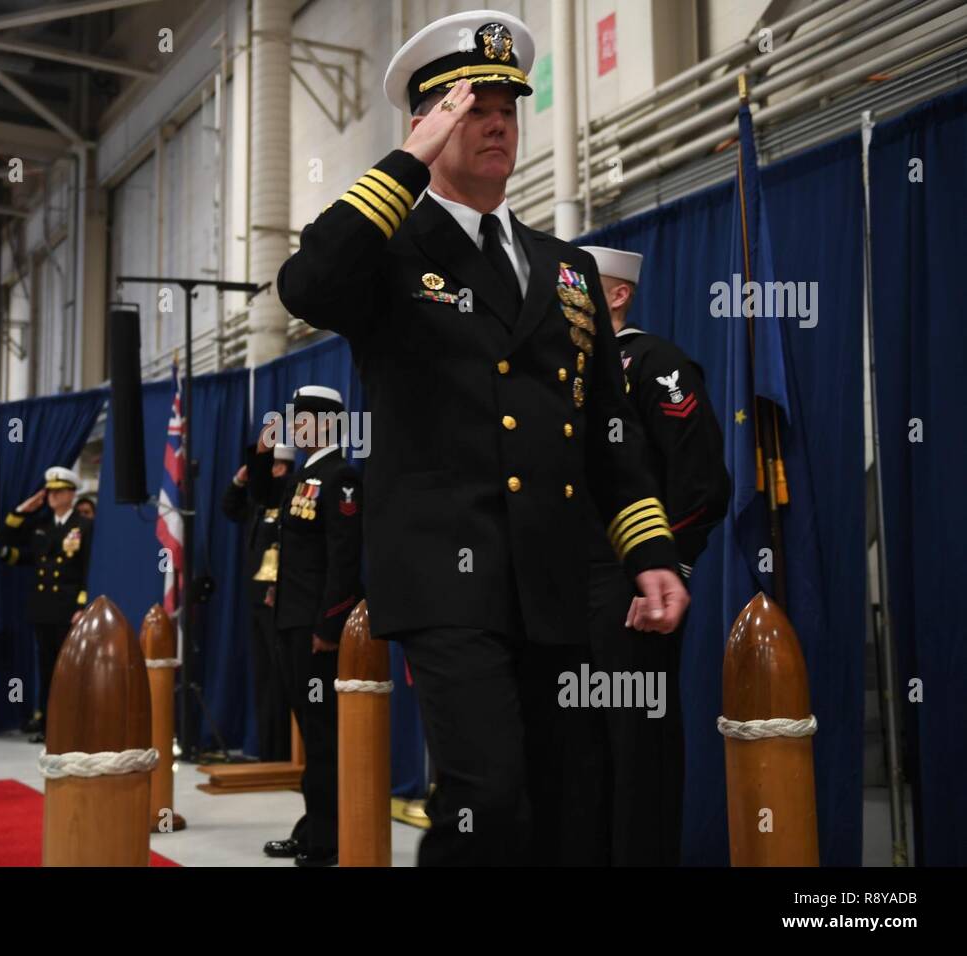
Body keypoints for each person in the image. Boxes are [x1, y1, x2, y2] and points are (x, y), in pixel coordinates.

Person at [276, 10, 688, 866]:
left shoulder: (565, 266)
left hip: (551, 576)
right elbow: (306, 283)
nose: (498, 122)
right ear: (429, 123)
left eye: (508, 107)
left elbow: (605, 427)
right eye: (474, 108)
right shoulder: (390, 249)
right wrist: (406, 163)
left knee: (562, 802)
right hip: (442, 580)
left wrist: (649, 550)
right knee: (485, 800)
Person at [553, 246, 731, 865]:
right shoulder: (563, 374)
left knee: (636, 752)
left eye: (580, 289)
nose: (565, 303)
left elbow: (702, 481)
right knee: (577, 752)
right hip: (566, 585)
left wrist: (664, 568)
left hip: (629, 580)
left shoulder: (653, 363)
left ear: (619, 294)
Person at [260, 388, 362, 867]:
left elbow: (344, 559)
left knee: (322, 735)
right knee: (310, 728)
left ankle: (328, 839)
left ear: (324, 424)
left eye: (299, 420)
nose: (292, 428)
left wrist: (330, 623)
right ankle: (313, 826)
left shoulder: (340, 477)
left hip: (316, 631)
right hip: (292, 621)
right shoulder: (304, 475)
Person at [0, 466, 93, 743]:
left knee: (70, 670)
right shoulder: (41, 525)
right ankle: (47, 725)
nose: (52, 496)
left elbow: (88, 567)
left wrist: (82, 605)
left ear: (71, 494)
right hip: (44, 607)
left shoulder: (84, 526)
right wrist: (22, 510)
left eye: (59, 491)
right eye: (50, 491)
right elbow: (7, 541)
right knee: (47, 668)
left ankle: (73, 725)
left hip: (69, 609)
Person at [222, 441, 296, 762]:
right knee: (263, 676)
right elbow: (230, 508)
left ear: (281, 467)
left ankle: (281, 751)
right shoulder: (260, 498)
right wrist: (240, 480)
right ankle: (267, 748)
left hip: (275, 597)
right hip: (254, 597)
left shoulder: (288, 495)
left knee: (279, 678)